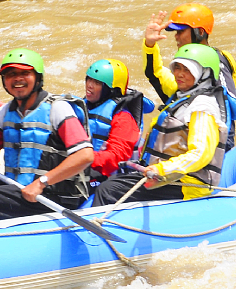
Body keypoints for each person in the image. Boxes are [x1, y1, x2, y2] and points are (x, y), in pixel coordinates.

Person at [0, 49, 94, 225]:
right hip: (20, 190)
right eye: (11, 74)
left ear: (38, 78)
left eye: (25, 73)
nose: (17, 79)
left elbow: (85, 155)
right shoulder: (3, 114)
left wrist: (41, 183)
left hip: (52, 195)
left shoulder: (57, 109)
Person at [91, 44, 228, 206]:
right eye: (177, 68)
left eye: (187, 70)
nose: (179, 74)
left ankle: (94, 229)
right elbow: (156, 73)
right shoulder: (183, 96)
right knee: (114, 182)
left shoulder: (203, 108)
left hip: (185, 185)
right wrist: (149, 45)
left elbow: (200, 153)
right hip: (165, 178)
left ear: (204, 73)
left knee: (108, 190)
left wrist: (161, 170)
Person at [143, 2, 236, 148]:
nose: (176, 37)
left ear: (200, 32)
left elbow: (225, 108)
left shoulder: (215, 62)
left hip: (208, 149)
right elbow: (156, 75)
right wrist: (150, 45)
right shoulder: (186, 64)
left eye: (181, 31)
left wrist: (221, 154)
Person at [77, 58, 152, 186]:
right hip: (85, 169)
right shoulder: (82, 107)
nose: (89, 85)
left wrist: (82, 159)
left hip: (112, 179)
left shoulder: (124, 118)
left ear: (111, 90)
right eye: (89, 79)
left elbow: (117, 156)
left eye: (97, 82)